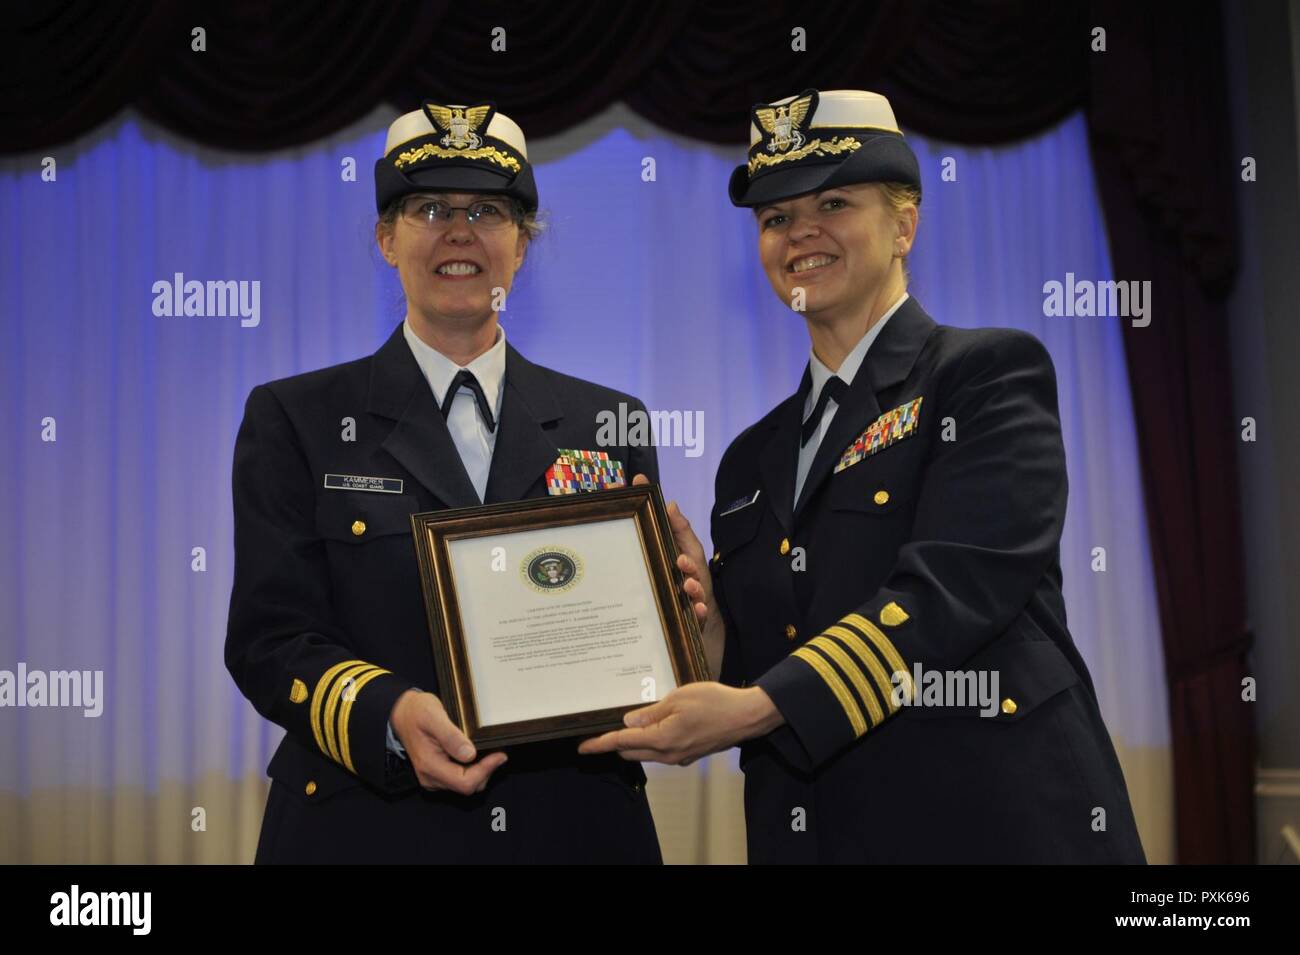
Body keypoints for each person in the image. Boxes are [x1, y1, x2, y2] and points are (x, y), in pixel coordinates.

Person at [582, 89, 1148, 864]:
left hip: (988, 823)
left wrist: (755, 706)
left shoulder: (984, 374)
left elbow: (950, 592)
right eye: (776, 216)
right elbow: (778, 645)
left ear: (904, 224)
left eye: (834, 202)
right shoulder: (752, 458)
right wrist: (712, 637)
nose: (800, 231)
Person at [226, 100, 662, 863]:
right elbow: (268, 640)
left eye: (489, 210)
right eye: (429, 207)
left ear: (522, 245)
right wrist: (388, 710)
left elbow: (634, 641)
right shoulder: (296, 418)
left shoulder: (610, 422)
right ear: (387, 238)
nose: (460, 231)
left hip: (574, 825)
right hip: (366, 824)